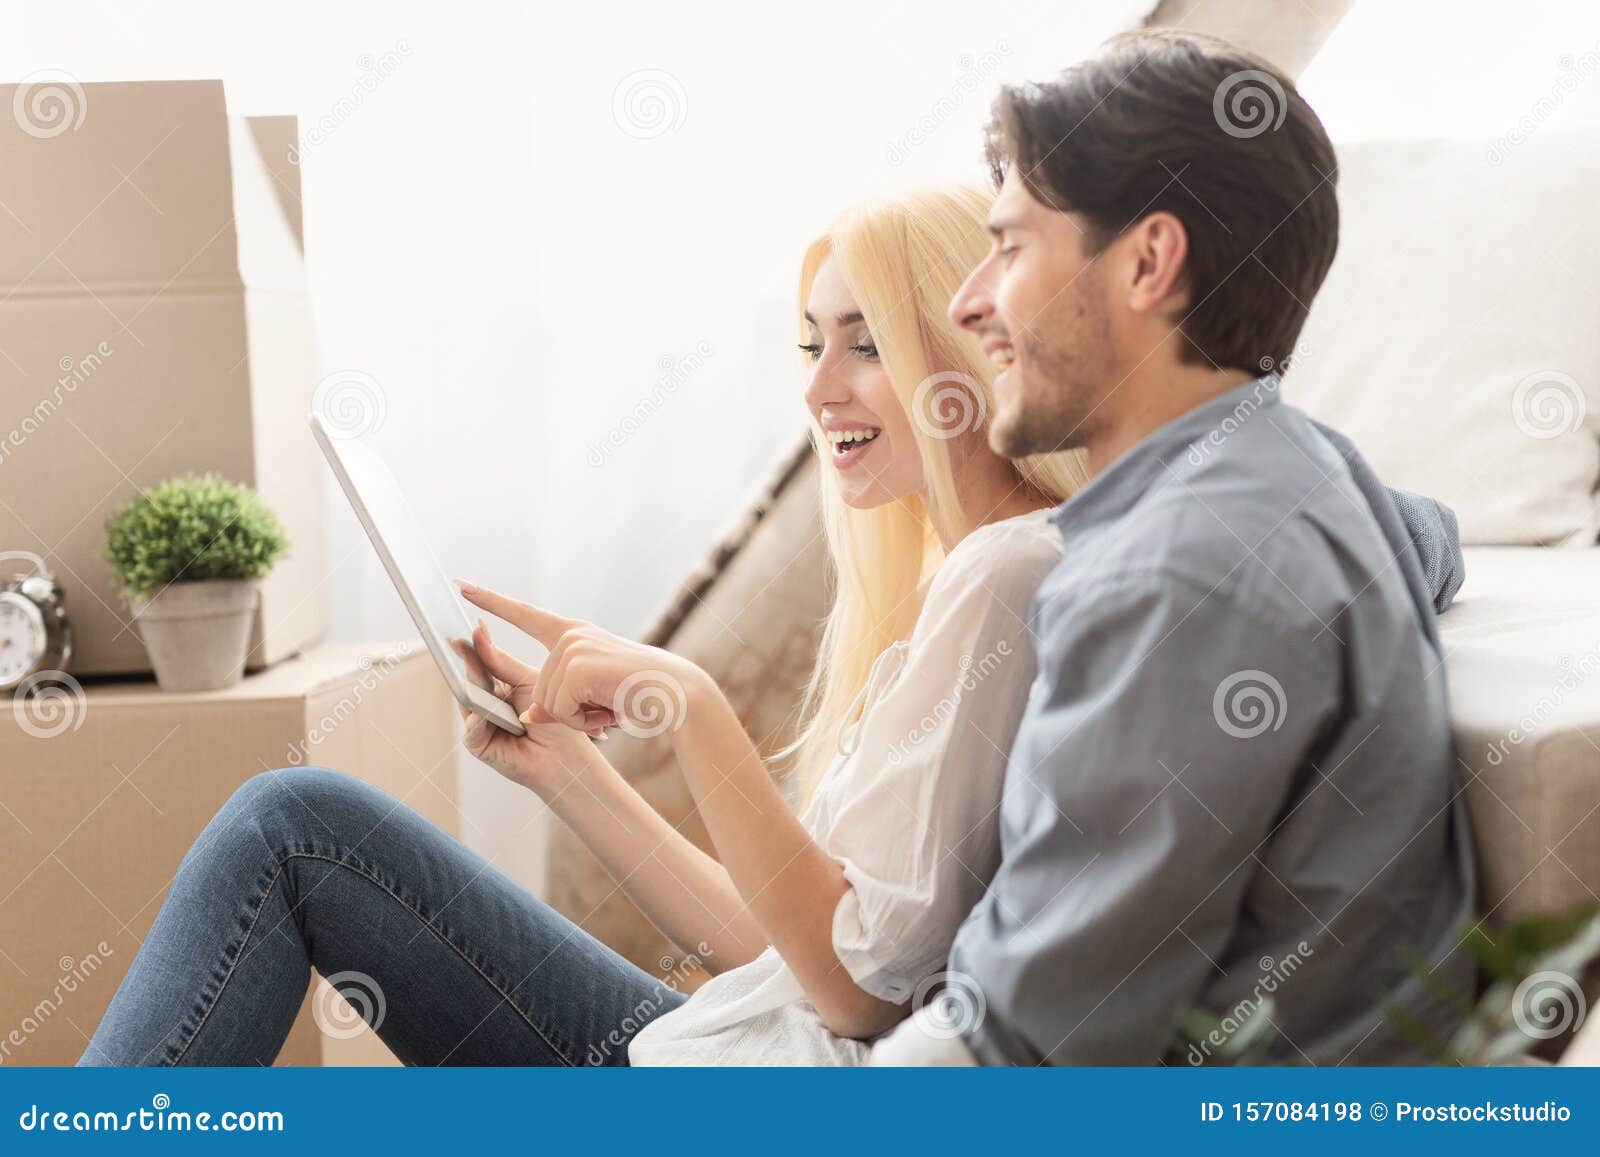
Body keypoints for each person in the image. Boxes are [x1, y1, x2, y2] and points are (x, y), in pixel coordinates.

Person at [80, 178, 1460, 1065]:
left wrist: (693, 705)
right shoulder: (984, 580)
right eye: (813, 345)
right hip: (724, 1044)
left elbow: (858, 1001)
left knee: (293, 827)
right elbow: (804, 954)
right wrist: (575, 776)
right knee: (301, 826)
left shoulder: (1014, 576)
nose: (823, 390)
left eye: (865, 338)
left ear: (971, 348)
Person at [872, 30, 1476, 1067]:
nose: (971, 301)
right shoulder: (1305, 467)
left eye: (1010, 247)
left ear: (1149, 260)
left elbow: (1016, 1048)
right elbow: (1438, 539)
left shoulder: (1178, 576)